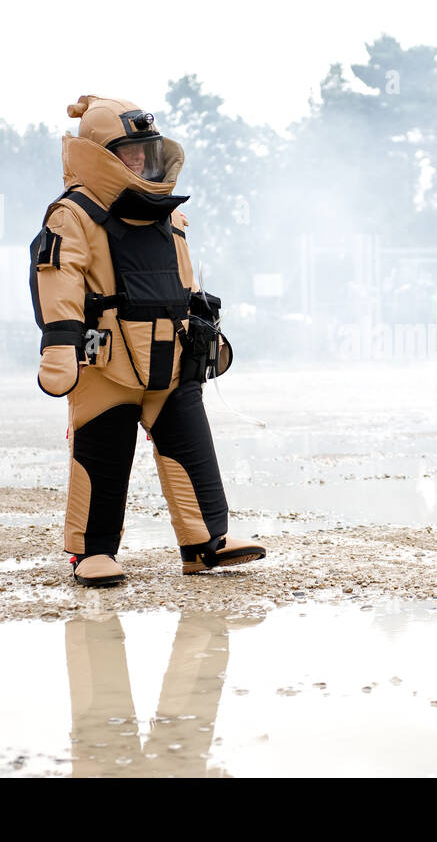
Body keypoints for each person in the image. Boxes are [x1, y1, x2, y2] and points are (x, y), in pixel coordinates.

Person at [29, 94, 266, 586]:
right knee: (101, 457)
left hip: (172, 362)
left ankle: (206, 543)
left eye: (144, 150)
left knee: (193, 449)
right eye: (127, 151)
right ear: (99, 154)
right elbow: (58, 281)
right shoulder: (71, 216)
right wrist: (58, 345)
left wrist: (207, 334)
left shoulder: (169, 217)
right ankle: (92, 552)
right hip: (104, 367)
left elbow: (186, 284)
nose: (139, 160)